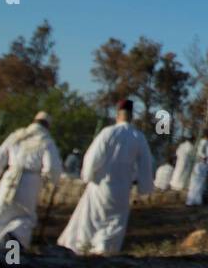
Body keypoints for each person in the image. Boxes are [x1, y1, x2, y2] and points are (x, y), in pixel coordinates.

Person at [58, 99, 153, 255]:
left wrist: (87, 176)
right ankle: (104, 249)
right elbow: (146, 164)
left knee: (91, 219)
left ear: (117, 115)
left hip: (100, 185)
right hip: (122, 188)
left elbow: (93, 157)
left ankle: (82, 248)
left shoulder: (108, 132)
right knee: (114, 222)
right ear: (131, 117)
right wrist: (145, 188)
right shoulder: (138, 136)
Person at [0, 111, 62, 257]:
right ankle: (12, 256)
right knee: (23, 218)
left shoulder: (17, 136)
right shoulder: (46, 141)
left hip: (9, 178)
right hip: (30, 181)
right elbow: (52, 167)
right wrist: (51, 182)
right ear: (48, 126)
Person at [186, 131, 208, 206]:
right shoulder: (206, 143)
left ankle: (193, 200)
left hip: (199, 164)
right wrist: (205, 160)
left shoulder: (201, 142)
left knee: (196, 182)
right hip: (202, 164)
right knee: (198, 182)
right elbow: (206, 154)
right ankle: (194, 200)